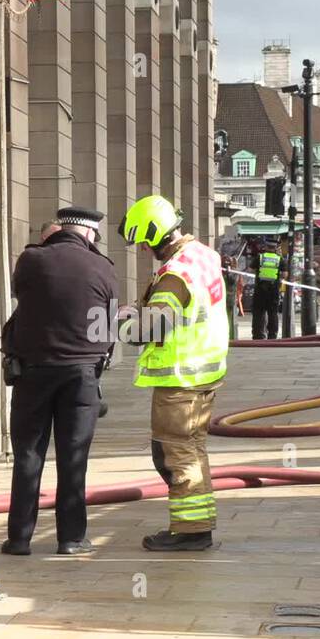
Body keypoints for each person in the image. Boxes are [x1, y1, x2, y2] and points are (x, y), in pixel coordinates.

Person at [0, 207, 117, 556]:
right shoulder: (103, 267)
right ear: (89, 234)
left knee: (28, 456)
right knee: (73, 458)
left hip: (32, 372)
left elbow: (24, 298)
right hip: (81, 375)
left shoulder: (31, 260)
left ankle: (19, 538)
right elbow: (107, 325)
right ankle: (71, 538)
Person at [117, 195, 229, 551]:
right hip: (204, 373)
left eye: (144, 242)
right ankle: (196, 524)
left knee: (173, 453)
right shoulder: (203, 256)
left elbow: (152, 328)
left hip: (181, 378)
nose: (145, 250)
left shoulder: (174, 274)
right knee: (191, 450)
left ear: (155, 236)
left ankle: (191, 531)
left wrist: (123, 324)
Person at [251, 239, 282, 339]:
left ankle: (258, 335)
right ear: (275, 248)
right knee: (273, 313)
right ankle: (272, 335)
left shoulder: (260, 257)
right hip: (274, 290)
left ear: (266, 247)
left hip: (260, 289)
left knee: (259, 313)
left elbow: (251, 269)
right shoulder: (279, 259)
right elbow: (285, 274)